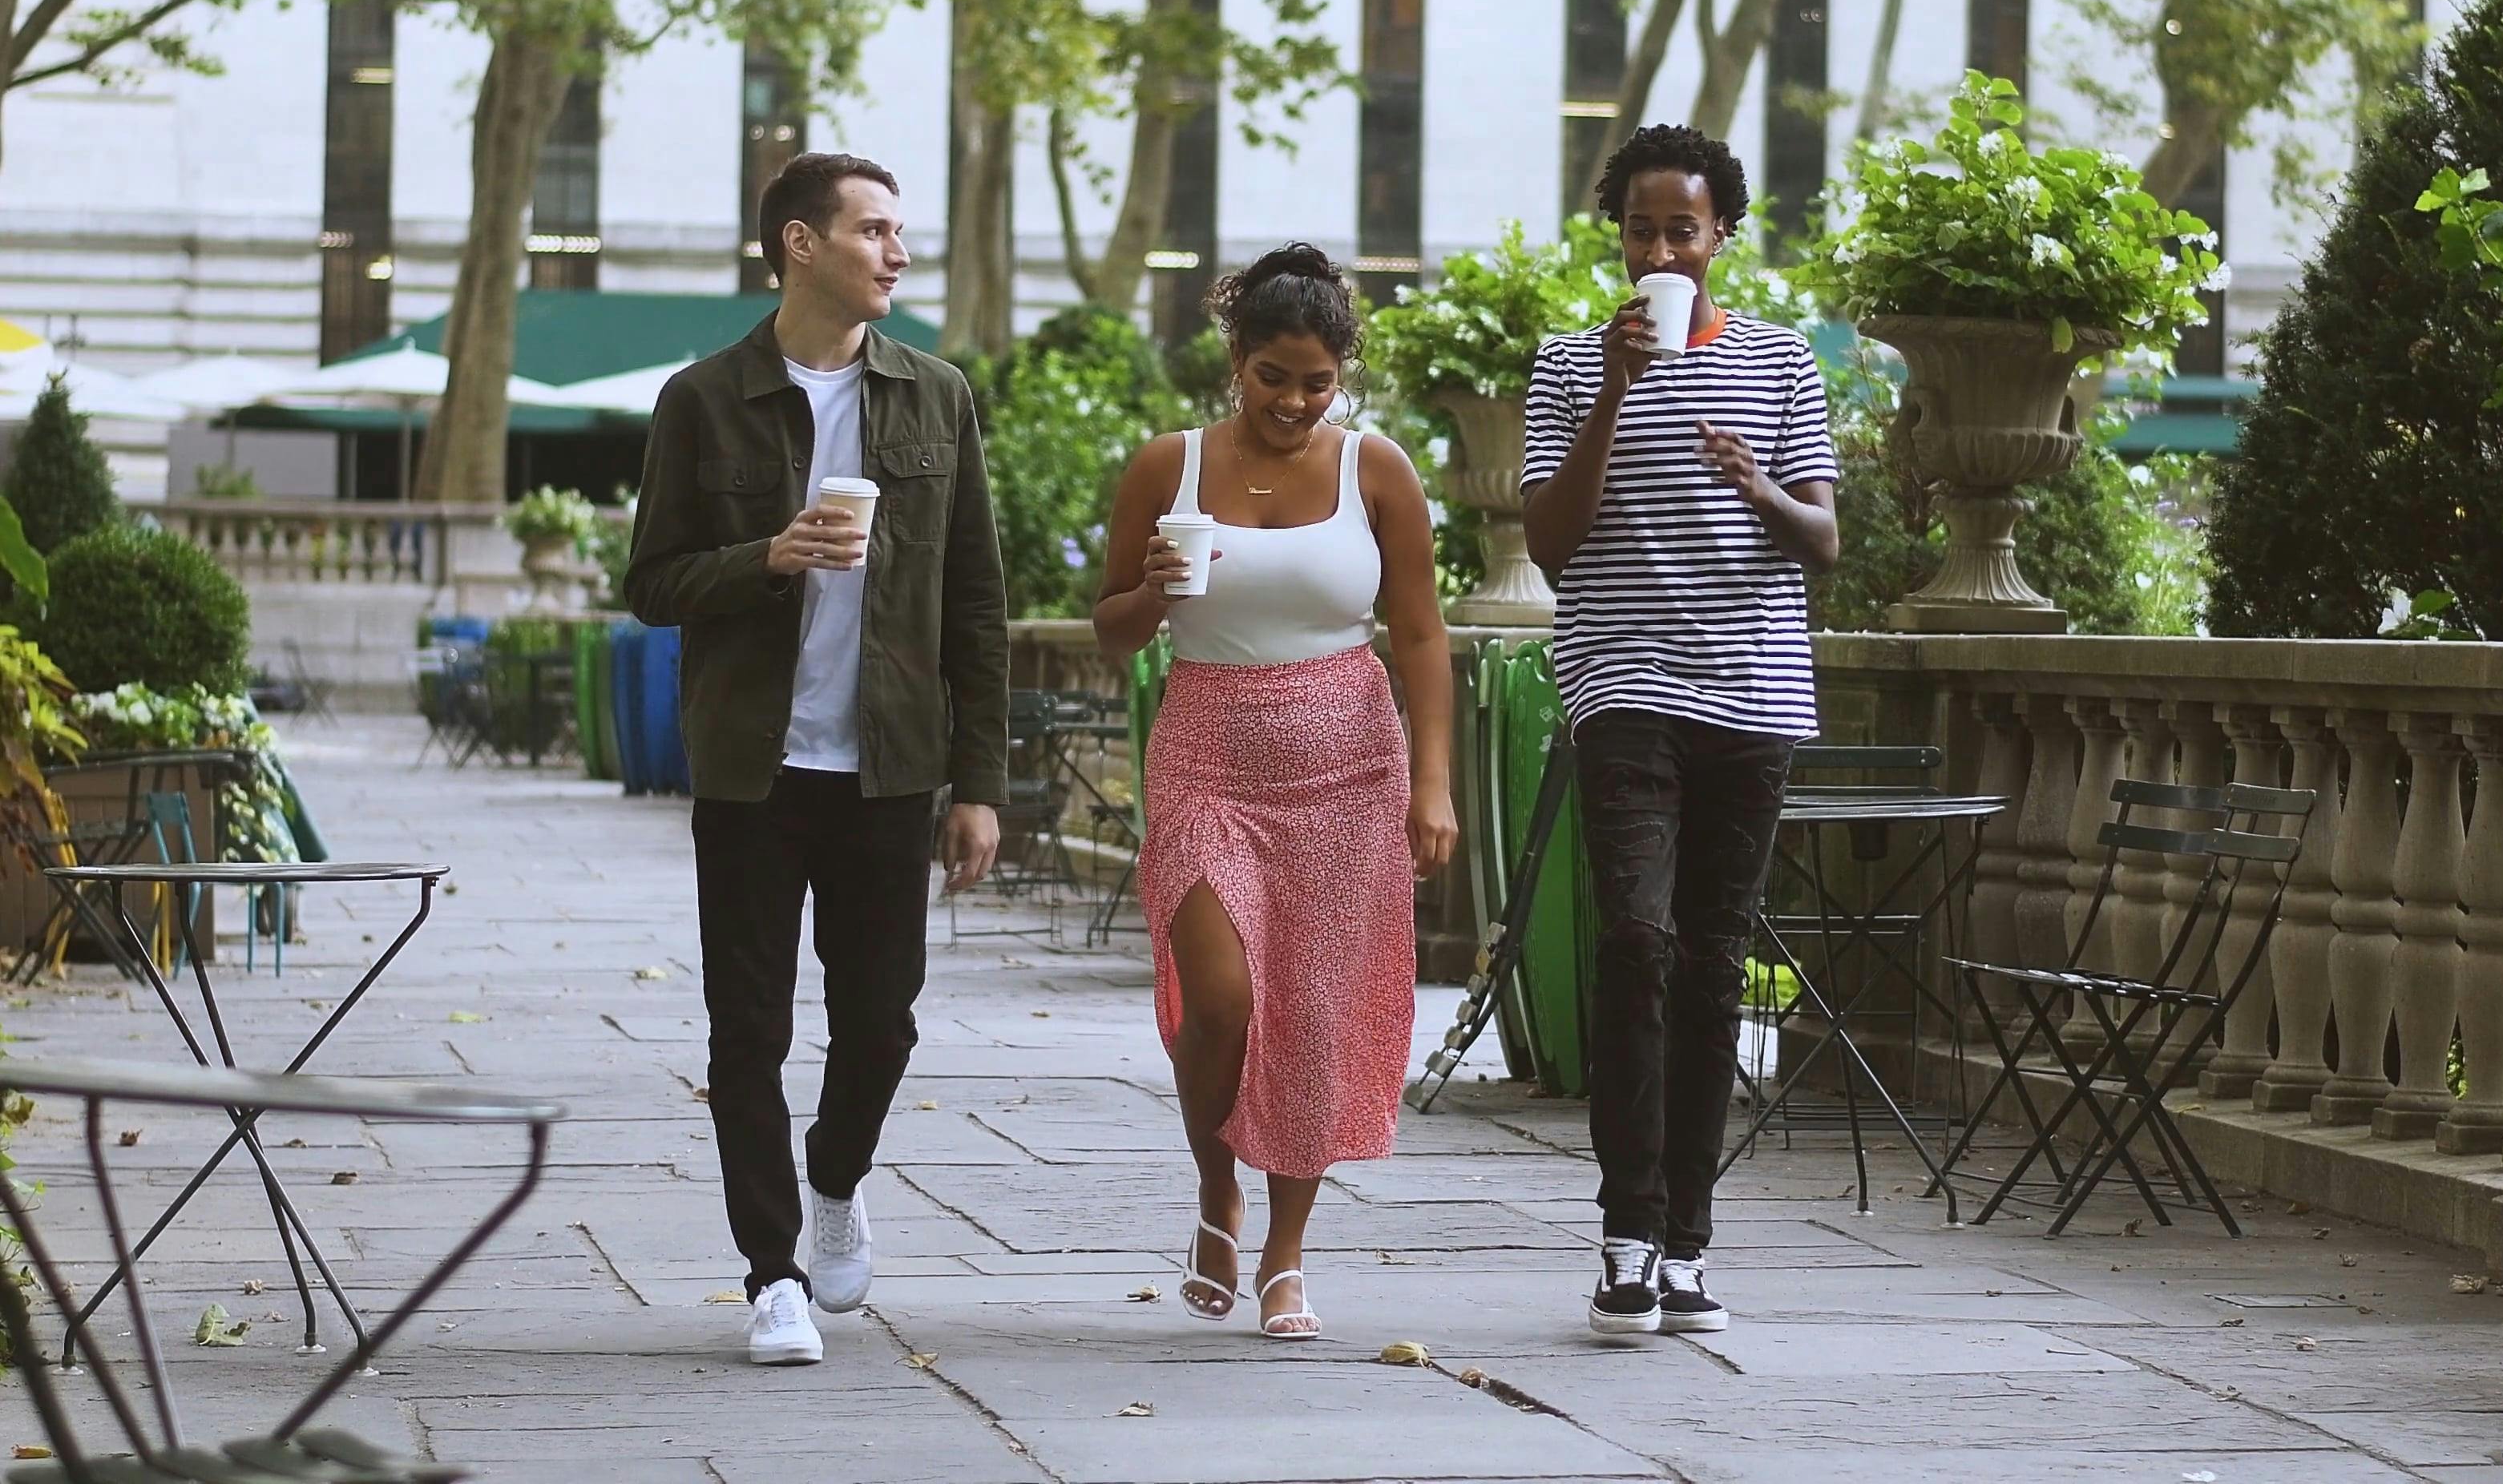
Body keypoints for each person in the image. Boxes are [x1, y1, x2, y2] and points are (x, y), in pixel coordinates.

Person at [625, 152, 1007, 1367]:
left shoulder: (936, 396)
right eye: (875, 231)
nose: (899, 252)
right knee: (747, 1031)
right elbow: (651, 583)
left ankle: (835, 1179)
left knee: (881, 1024)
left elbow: (977, 602)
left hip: (889, 768)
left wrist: (981, 784)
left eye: (899, 232)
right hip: (754, 769)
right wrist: (767, 559)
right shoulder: (703, 399)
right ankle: (773, 1273)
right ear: (801, 243)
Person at [1093, 242, 1458, 1341]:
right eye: (1273, 378)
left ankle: (1286, 1255)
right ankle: (1218, 1190)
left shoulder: (1377, 471)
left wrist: (1433, 785)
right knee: (1220, 999)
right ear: (1235, 362)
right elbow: (1111, 632)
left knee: (1312, 1008)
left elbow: (1421, 634)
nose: (1296, 402)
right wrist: (1154, 593)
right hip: (1208, 750)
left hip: (1349, 762)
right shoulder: (1168, 467)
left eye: (1318, 383)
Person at [1520, 125, 1841, 1337]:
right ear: (1619, 239)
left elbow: (1824, 542)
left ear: (1723, 238)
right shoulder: (1568, 365)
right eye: (1642, 230)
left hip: (1753, 696)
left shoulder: (1781, 360)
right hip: (1623, 686)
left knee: (1713, 962)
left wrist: (1758, 484)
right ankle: (1626, 1235)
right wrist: (1615, 385)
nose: (1662, 251)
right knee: (1635, 943)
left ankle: (1688, 1249)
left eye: (1683, 231)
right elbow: (1553, 545)